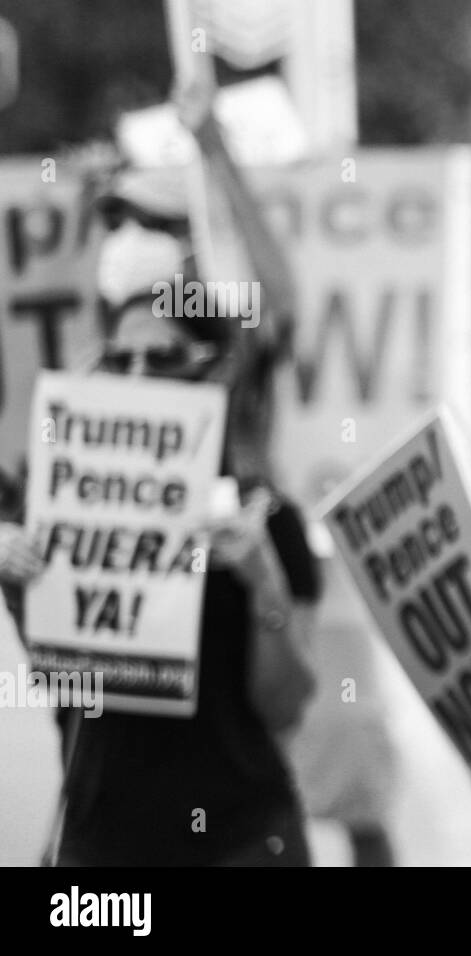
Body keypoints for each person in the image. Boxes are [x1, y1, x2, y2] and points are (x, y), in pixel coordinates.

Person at [1, 77, 321, 866]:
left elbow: (286, 708)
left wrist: (266, 591)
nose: (141, 374)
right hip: (101, 850)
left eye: (166, 356)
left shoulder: (251, 503)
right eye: (123, 358)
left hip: (242, 841)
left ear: (214, 370)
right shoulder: (53, 484)